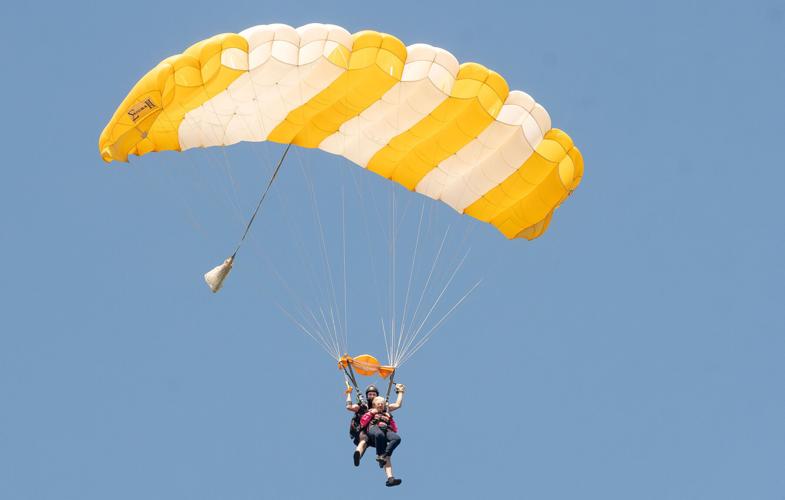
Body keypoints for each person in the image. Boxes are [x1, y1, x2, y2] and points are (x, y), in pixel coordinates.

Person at [360, 385, 405, 487]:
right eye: (378, 404)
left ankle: (390, 477)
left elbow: (397, 404)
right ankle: (381, 456)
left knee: (396, 439)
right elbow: (356, 413)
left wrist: (401, 392)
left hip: (386, 430)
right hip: (374, 430)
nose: (380, 405)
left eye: (382, 404)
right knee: (379, 435)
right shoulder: (367, 408)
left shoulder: (386, 409)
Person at [346, 384, 379, 466]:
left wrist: (400, 392)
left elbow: (397, 405)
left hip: (374, 431)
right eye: (370, 394)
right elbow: (349, 407)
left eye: (374, 394)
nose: (372, 396)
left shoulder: (380, 406)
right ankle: (357, 453)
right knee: (364, 440)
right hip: (363, 429)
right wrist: (349, 394)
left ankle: (381, 457)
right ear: (367, 396)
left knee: (373, 442)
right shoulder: (363, 406)